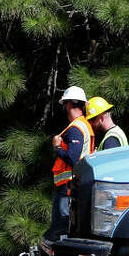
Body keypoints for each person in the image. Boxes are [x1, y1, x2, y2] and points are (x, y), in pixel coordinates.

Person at [48, 85, 93, 236]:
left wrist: (57, 147)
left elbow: (73, 158)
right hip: (75, 183)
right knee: (67, 226)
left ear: (69, 104)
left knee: (62, 227)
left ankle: (53, 249)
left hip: (68, 185)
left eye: (65, 104)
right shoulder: (84, 125)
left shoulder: (75, 128)